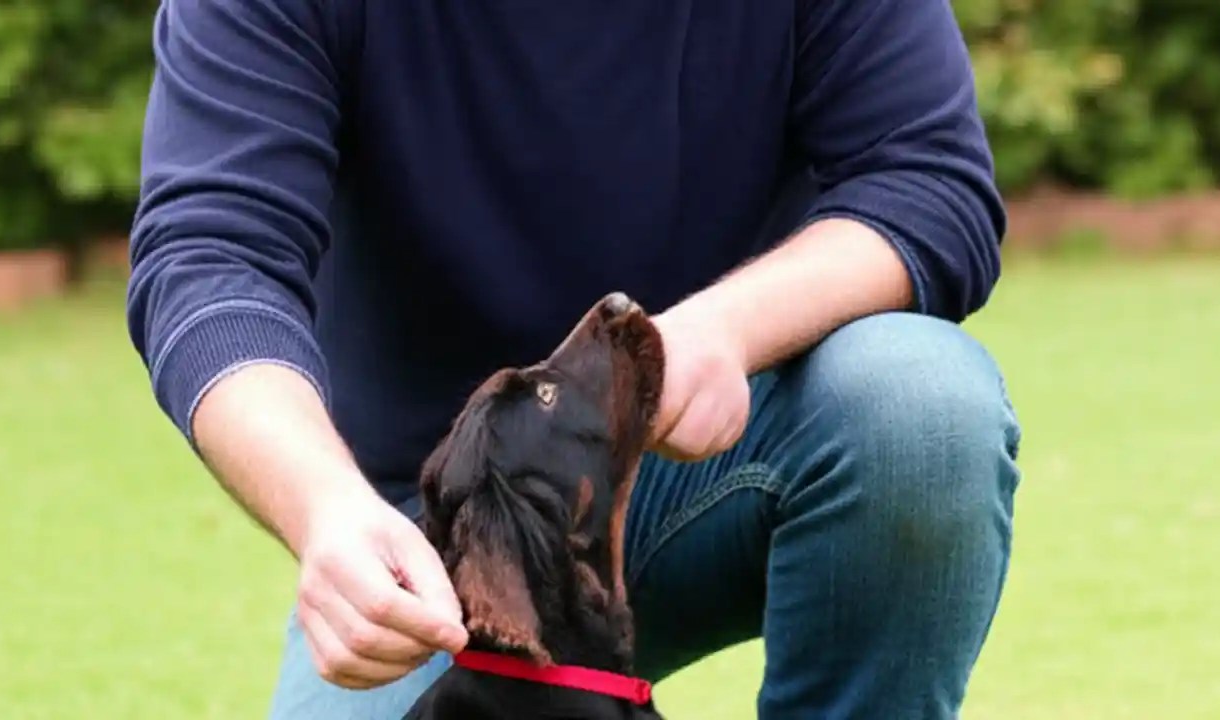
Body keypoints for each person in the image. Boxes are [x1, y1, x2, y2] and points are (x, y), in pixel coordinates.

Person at [126, 0, 1022, 717]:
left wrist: (722, 330)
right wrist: (324, 509)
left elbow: (929, 179)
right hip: (430, 549)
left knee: (923, 406)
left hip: (724, 454)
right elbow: (208, 260)